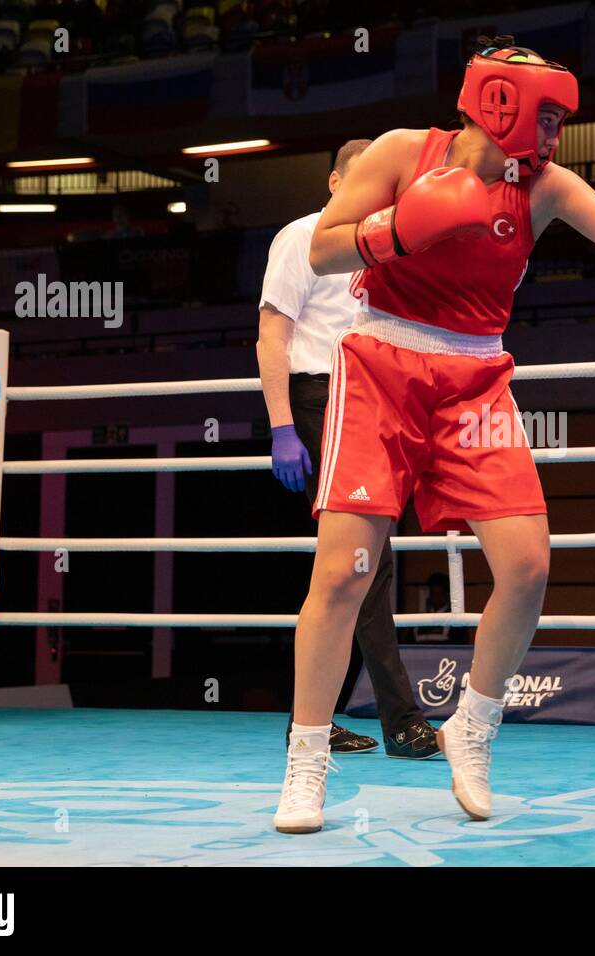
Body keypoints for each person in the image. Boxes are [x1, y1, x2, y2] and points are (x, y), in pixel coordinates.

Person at [273, 35, 595, 833]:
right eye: (545, 119)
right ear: (496, 102)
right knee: (340, 576)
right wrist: (398, 229)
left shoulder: (547, 187)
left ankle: (473, 725)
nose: (552, 139)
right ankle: (306, 761)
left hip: (474, 377)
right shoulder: (402, 153)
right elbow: (324, 248)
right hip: (380, 362)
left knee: (529, 563)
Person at [257, 138, 439, 760]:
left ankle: (312, 715)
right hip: (321, 400)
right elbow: (272, 334)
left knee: (351, 566)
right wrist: (282, 424)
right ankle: (402, 721)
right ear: (335, 182)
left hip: (377, 402)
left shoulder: (390, 245)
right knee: (367, 565)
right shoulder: (304, 236)